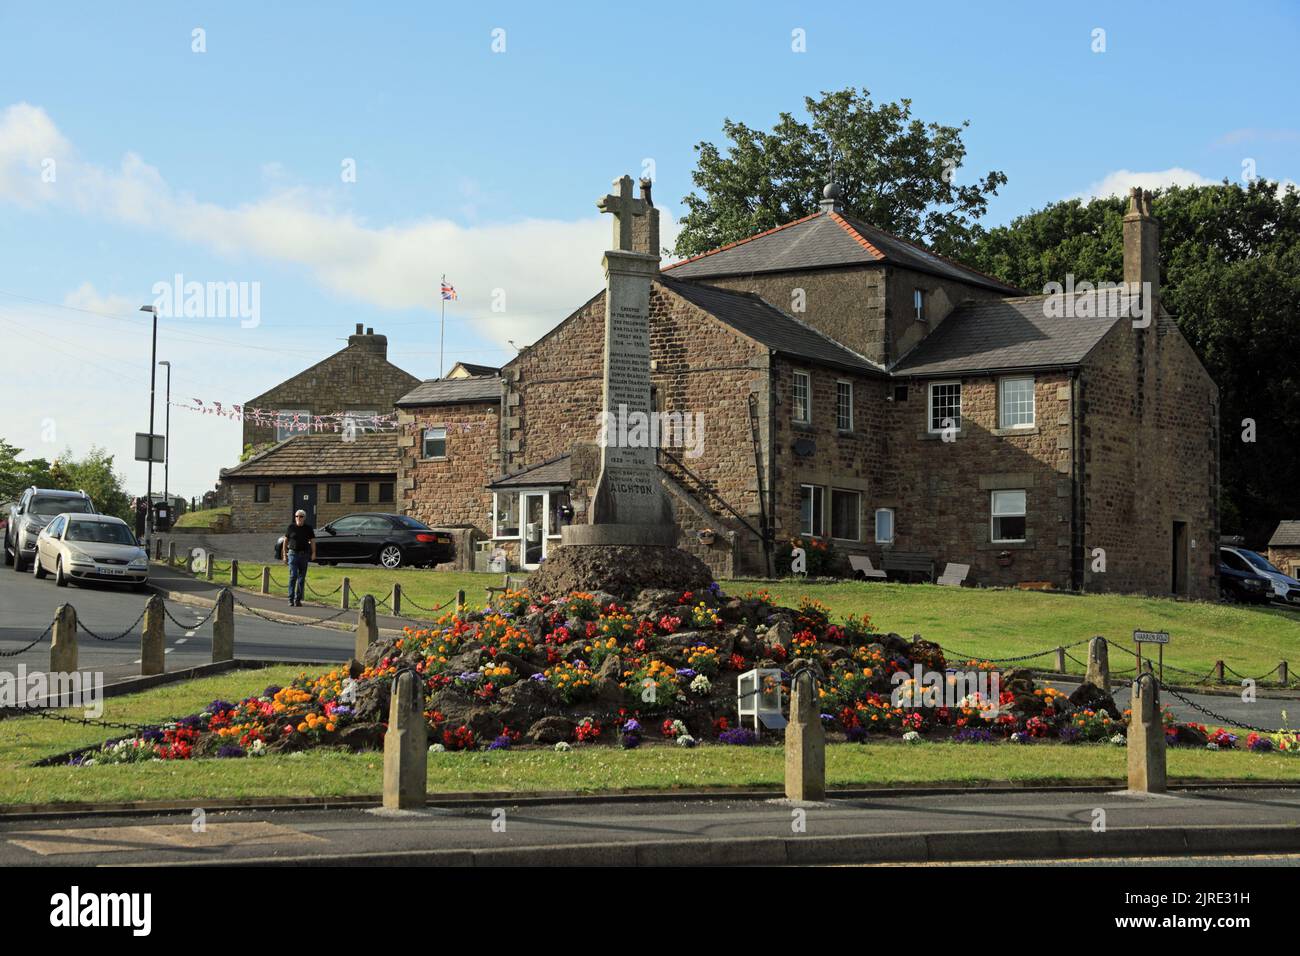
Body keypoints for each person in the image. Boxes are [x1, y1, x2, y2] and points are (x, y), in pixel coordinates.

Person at [283, 509, 317, 607]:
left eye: (301, 516)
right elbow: (286, 541)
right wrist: (284, 555)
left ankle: (298, 599)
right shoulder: (291, 527)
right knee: (293, 576)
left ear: (304, 518)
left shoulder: (308, 528)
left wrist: (314, 553)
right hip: (293, 554)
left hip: (304, 555)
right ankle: (290, 599)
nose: (299, 518)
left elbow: (313, 541)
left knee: (301, 578)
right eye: (297, 516)